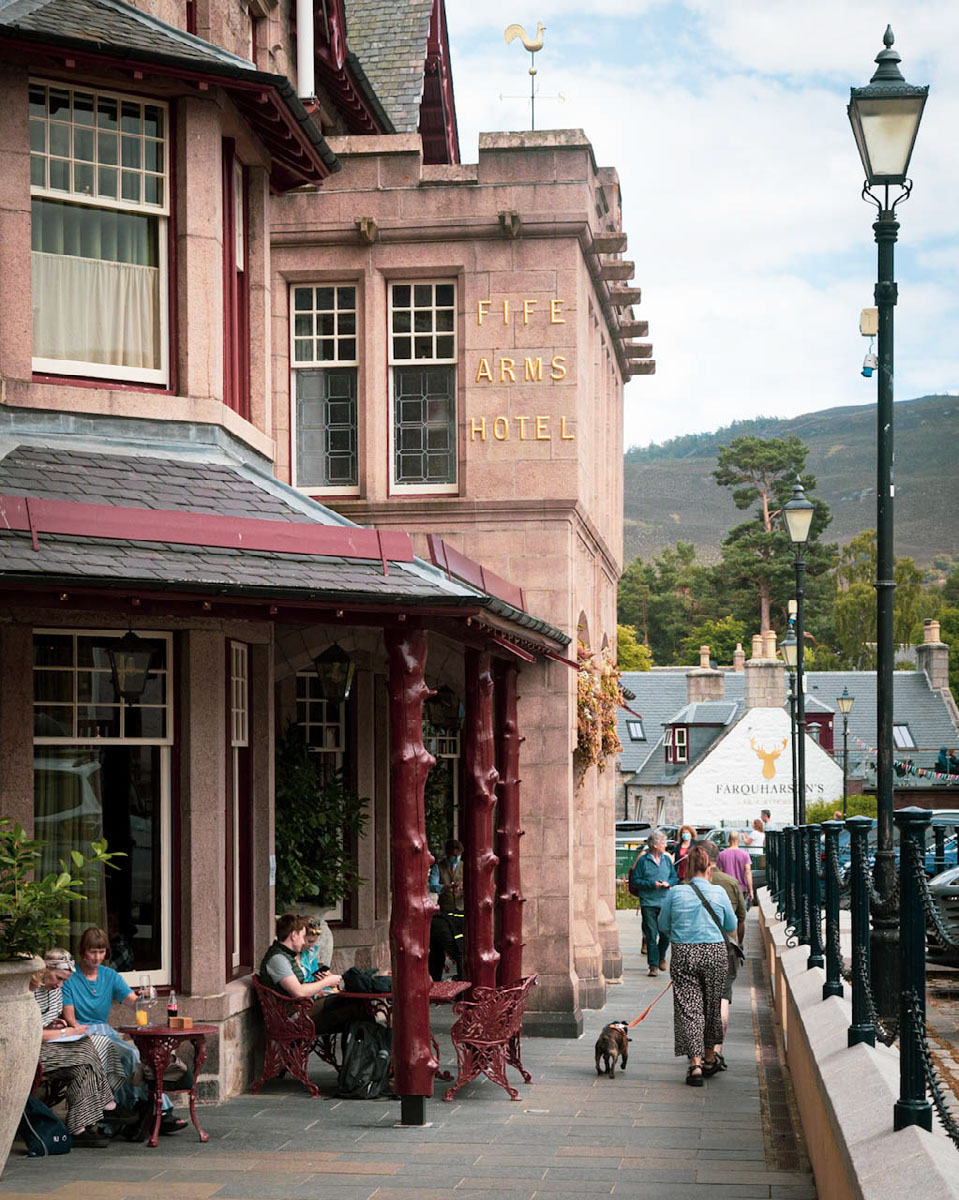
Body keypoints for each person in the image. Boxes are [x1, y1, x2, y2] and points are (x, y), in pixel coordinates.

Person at [61, 926, 185, 1135]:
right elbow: (70, 1016)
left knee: (138, 1056)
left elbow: (134, 1003)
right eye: (93, 951)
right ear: (82, 951)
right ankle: (146, 1110)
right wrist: (79, 1031)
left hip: (105, 1030)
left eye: (101, 952)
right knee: (129, 1055)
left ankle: (155, 1109)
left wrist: (144, 998)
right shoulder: (71, 980)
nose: (97, 957)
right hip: (82, 1032)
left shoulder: (110, 976)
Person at [30, 949, 138, 1147]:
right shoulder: (31, 990)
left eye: (64, 981)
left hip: (49, 1046)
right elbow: (31, 1034)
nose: (60, 985)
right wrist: (65, 1033)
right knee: (86, 1047)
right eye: (58, 978)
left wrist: (54, 1025)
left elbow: (45, 1023)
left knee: (83, 1068)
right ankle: (107, 1104)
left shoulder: (55, 990)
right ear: (46, 968)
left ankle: (79, 1128)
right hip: (31, 1052)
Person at [656, 843, 736, 1087]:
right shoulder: (719, 893)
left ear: (687, 869)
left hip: (684, 953)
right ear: (709, 868)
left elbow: (663, 926)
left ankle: (696, 1064)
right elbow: (730, 924)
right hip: (714, 953)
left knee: (689, 1009)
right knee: (712, 1006)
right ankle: (711, 1056)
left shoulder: (675, 893)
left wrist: (682, 934)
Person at [259, 914, 365, 1035]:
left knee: (354, 1002)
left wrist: (317, 989)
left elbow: (298, 988)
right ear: (294, 935)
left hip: (300, 1009)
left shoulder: (286, 955)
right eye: (303, 936)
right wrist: (327, 981)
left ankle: (369, 1049)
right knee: (356, 1010)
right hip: (292, 1019)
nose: (304, 941)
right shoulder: (278, 959)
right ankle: (370, 1050)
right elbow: (298, 992)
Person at [695, 840, 745, 1072]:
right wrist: (738, 944)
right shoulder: (730, 883)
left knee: (696, 999)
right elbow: (738, 920)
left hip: (693, 947)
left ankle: (697, 1053)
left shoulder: (686, 885)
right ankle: (715, 1051)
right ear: (718, 859)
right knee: (722, 998)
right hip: (724, 947)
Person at [631, 829, 678, 977]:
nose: (665, 845)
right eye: (663, 842)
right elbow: (635, 880)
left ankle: (661, 956)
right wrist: (652, 884)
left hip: (664, 902)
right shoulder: (643, 861)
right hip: (648, 903)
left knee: (666, 934)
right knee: (651, 934)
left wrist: (668, 883)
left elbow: (674, 877)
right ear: (656, 845)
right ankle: (653, 965)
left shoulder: (666, 860)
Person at [716, 829, 753, 905]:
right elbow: (748, 872)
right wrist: (751, 890)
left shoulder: (722, 854)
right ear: (739, 840)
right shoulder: (745, 855)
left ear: (728, 840)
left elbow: (720, 872)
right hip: (741, 887)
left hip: (727, 888)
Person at [429, 839, 464, 914]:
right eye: (454, 856)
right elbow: (432, 886)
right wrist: (446, 886)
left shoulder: (464, 866)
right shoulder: (438, 867)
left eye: (458, 855)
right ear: (448, 854)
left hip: (462, 908)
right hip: (445, 909)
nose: (456, 858)